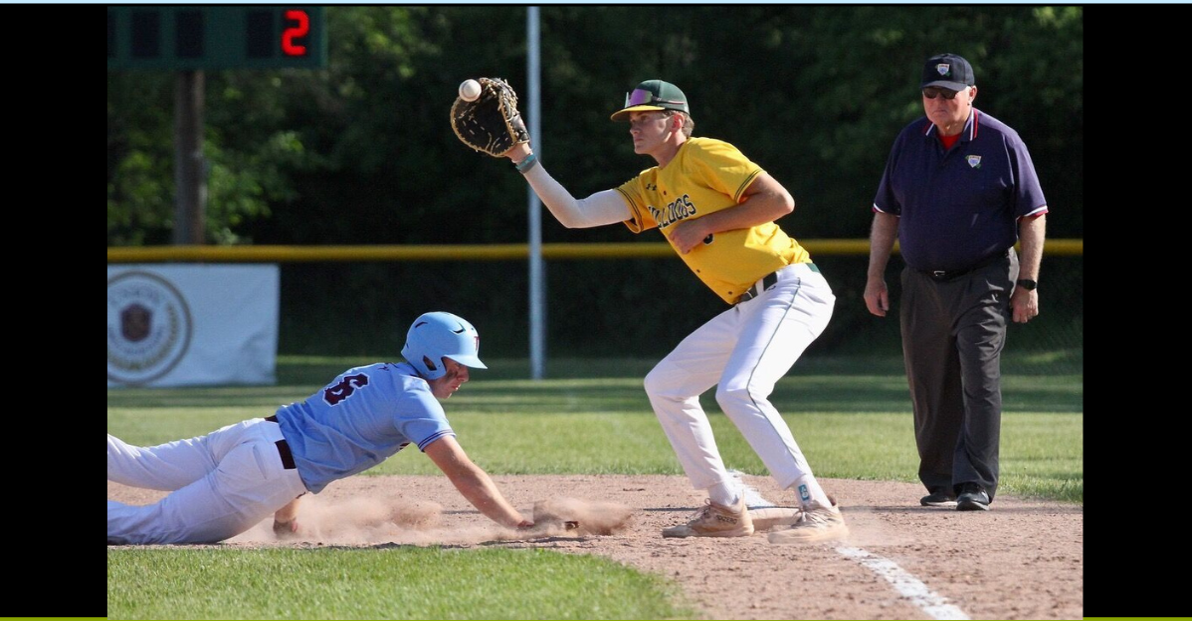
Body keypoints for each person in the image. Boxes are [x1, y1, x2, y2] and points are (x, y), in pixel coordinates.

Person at [498, 79, 846, 543]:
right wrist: (524, 160)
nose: (633, 127)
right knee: (666, 385)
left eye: (645, 118)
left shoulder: (703, 153)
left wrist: (705, 223)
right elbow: (575, 215)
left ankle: (817, 505)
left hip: (790, 287)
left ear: (676, 121)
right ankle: (725, 506)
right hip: (748, 304)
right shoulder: (650, 186)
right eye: (630, 121)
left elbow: (779, 201)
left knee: (740, 391)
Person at [108, 311, 533, 544]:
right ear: (431, 358)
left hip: (253, 435)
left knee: (139, 463)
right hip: (265, 467)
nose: (464, 377)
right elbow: (461, 471)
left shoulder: (374, 372)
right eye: (458, 366)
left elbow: (311, 448)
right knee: (147, 528)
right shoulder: (414, 399)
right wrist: (515, 522)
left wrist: (285, 520)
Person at [864, 53, 1048, 512]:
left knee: (979, 380)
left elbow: (1033, 215)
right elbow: (887, 212)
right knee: (927, 383)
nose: (939, 102)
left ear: (971, 94)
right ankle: (941, 481)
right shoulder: (911, 140)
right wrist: (874, 277)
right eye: (931, 93)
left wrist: (1027, 282)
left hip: (983, 277)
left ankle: (976, 483)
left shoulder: (1001, 141)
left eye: (949, 94)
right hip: (922, 280)